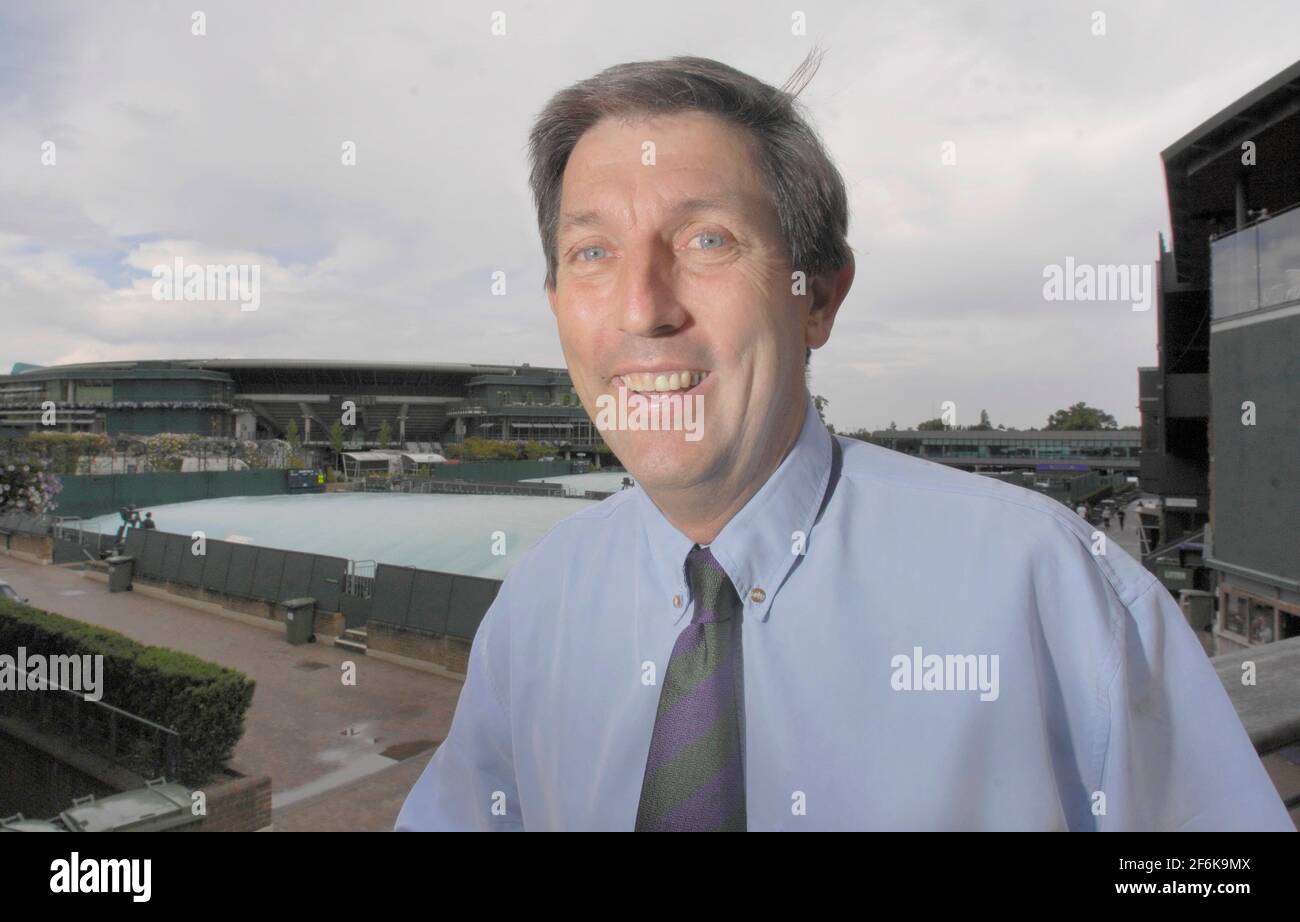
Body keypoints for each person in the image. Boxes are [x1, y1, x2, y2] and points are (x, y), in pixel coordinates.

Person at [396, 53, 1292, 832]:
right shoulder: (537, 608)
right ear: (556, 301)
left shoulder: (1055, 595)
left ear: (818, 297)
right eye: (592, 253)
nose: (642, 309)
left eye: (708, 240)